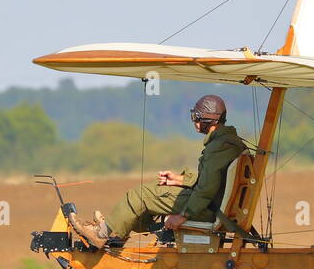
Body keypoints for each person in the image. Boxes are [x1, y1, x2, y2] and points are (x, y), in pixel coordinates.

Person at [71, 94, 248, 249]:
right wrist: (181, 180)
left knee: (141, 195)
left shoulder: (218, 147)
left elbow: (206, 188)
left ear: (208, 120)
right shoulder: (229, 142)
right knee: (154, 190)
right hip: (215, 204)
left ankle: (102, 234)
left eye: (197, 116)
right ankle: (116, 232)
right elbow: (213, 179)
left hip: (209, 208)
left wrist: (183, 216)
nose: (194, 121)